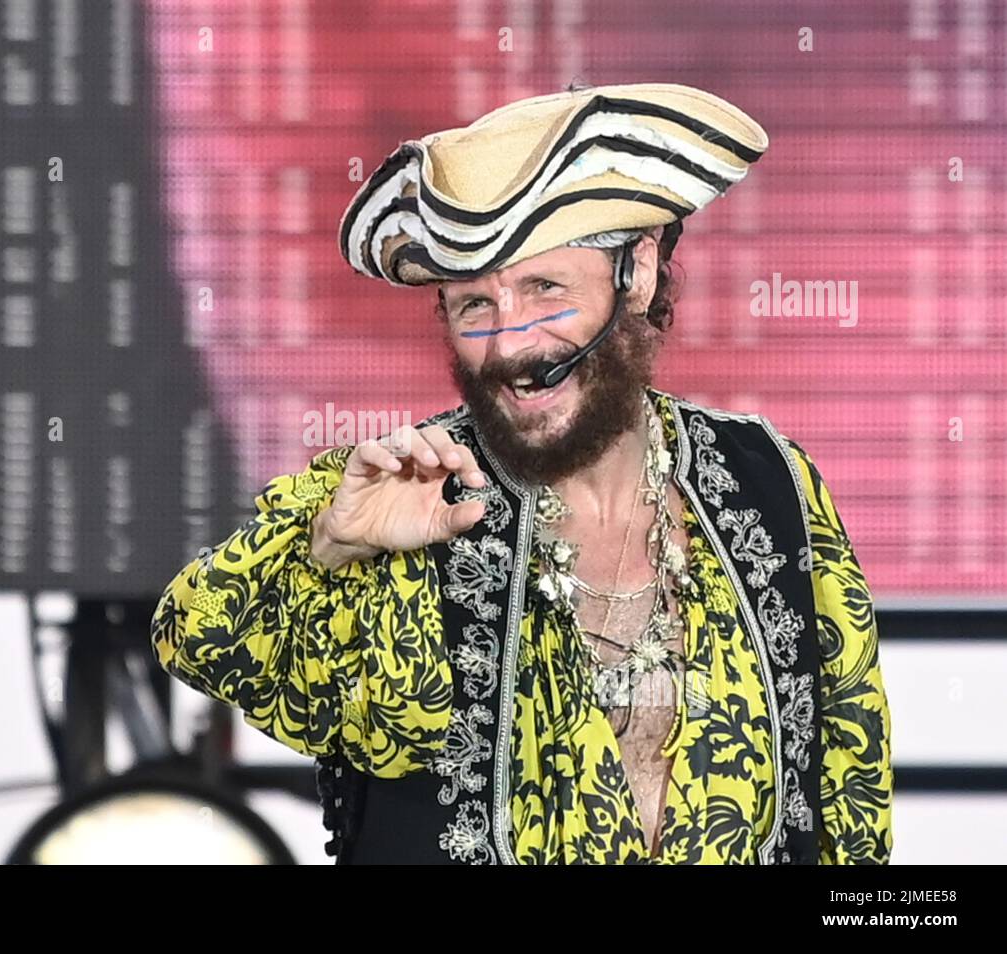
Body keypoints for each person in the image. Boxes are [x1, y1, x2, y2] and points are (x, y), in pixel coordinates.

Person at [150, 82, 894, 864]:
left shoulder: (770, 477)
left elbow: (848, 784)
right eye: (474, 305)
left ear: (635, 274)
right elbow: (198, 635)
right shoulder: (395, 490)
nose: (510, 344)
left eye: (544, 287)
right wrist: (330, 547)